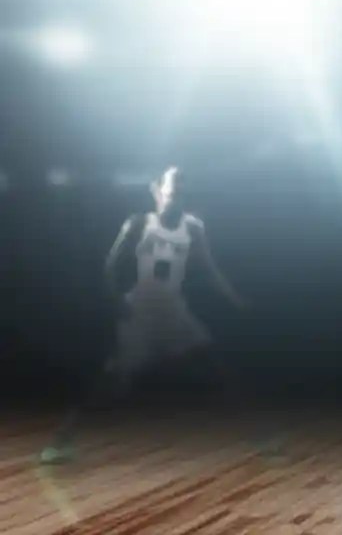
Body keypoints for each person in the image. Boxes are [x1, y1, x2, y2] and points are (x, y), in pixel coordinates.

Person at [40, 166, 256, 464]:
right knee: (112, 382)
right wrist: (115, 299)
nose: (178, 192)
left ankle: (259, 436)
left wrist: (235, 298)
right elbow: (110, 265)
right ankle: (62, 439)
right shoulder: (138, 223)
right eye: (173, 186)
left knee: (215, 367)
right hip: (140, 313)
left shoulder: (193, 228)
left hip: (174, 313)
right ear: (157, 189)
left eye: (183, 187)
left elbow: (210, 270)